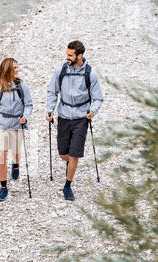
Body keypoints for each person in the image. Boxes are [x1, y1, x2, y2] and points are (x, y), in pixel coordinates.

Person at [45, 40, 103, 201]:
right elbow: (52, 92)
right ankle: (69, 163)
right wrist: (49, 110)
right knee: (63, 153)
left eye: (70, 55)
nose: (67, 58)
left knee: (74, 154)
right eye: (66, 54)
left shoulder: (90, 74)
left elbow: (98, 98)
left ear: (80, 55)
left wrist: (93, 111)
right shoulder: (60, 71)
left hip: (80, 118)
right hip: (63, 116)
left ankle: (67, 186)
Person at [0, 58, 33, 202]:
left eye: (17, 67)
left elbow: (29, 105)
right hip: (1, 125)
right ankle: (3, 187)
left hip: (17, 125)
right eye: (15, 68)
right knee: (0, 156)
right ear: (7, 70)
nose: (17, 70)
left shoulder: (21, 86)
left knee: (16, 153)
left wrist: (26, 117)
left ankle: (16, 164)